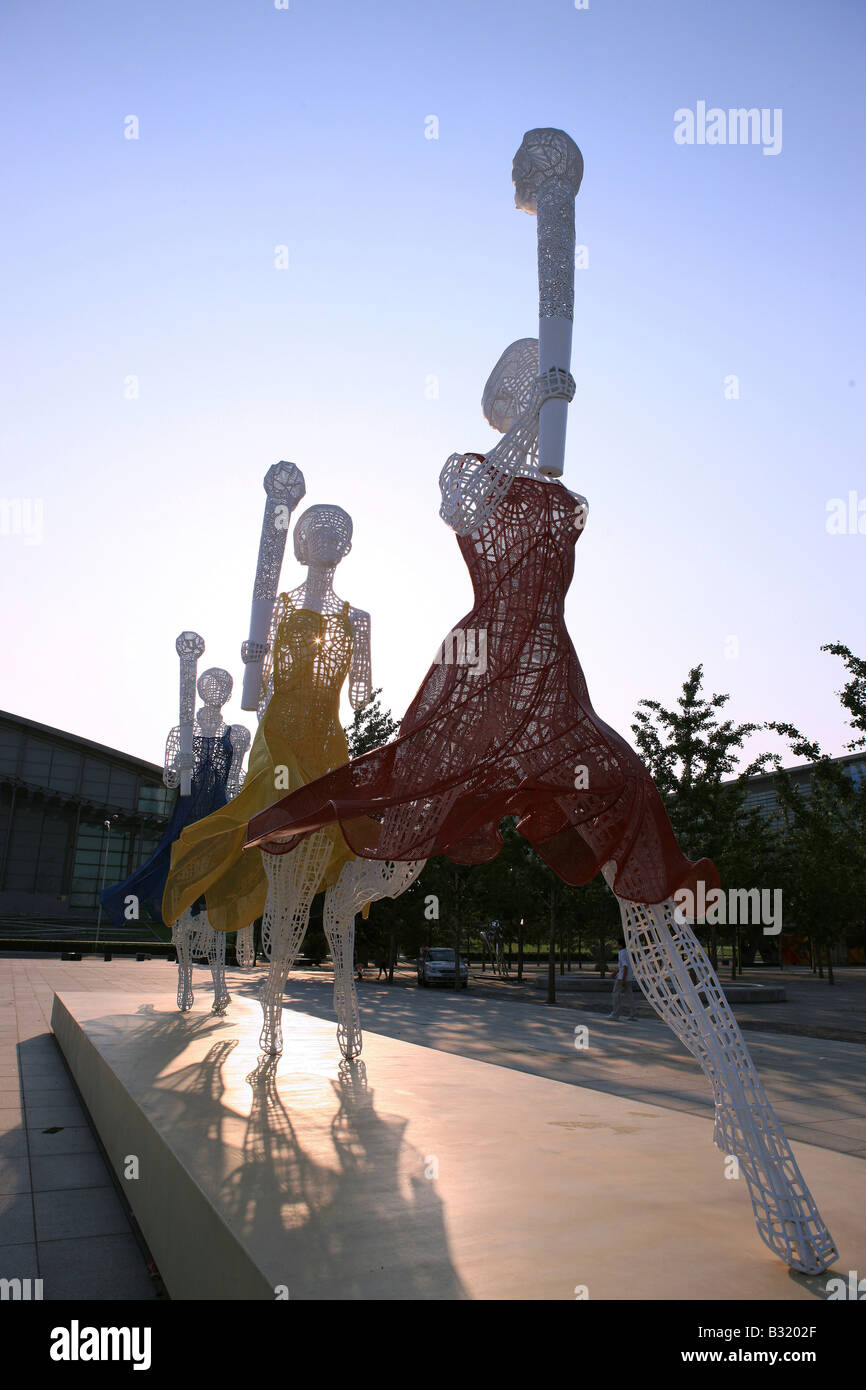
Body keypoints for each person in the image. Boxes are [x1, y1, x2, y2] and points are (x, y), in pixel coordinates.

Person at [244, 340, 836, 1276]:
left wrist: (544, 431)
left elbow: (546, 543)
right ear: (499, 399)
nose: (539, 389)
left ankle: (742, 1106)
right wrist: (527, 422)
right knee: (401, 836)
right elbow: (461, 507)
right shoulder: (471, 471)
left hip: (555, 694)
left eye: (543, 379)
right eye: (520, 383)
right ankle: (339, 911)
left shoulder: (562, 498)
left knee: (639, 828)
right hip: (479, 685)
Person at [609, 936, 638, 1021]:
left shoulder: (621, 952)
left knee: (615, 995)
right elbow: (623, 966)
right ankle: (633, 1014)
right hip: (628, 977)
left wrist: (623, 980)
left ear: (620, 945)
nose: (616, 945)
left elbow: (625, 966)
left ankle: (615, 1014)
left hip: (622, 977)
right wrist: (616, 972)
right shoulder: (627, 952)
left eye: (617, 944)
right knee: (630, 996)